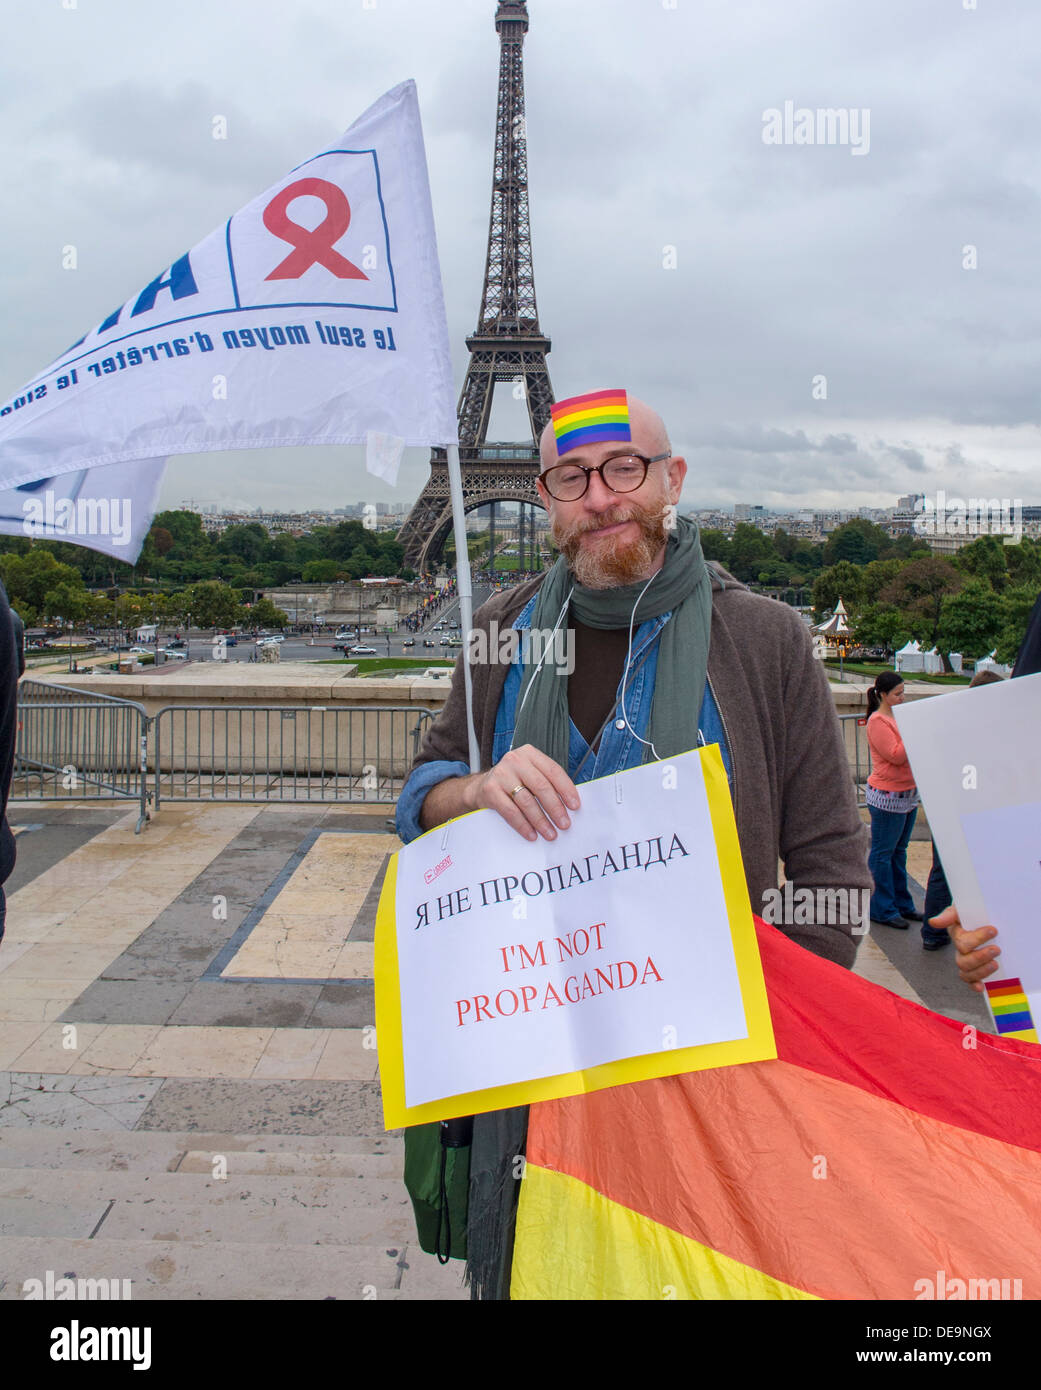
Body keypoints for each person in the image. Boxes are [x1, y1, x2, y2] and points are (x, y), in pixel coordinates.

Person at [394, 389, 871, 1297]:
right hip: (536, 1061)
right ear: (544, 497)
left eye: (624, 468)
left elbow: (830, 863)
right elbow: (420, 794)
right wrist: (472, 789)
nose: (601, 496)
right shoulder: (503, 630)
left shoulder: (766, 639)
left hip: (715, 1059)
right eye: (572, 477)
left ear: (671, 479)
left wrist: (773, 1027)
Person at [863, 671, 920, 928]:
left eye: (902, 692)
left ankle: (901, 904)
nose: (902, 698)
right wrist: (917, 731)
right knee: (883, 854)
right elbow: (896, 755)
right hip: (888, 796)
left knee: (898, 852)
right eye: (897, 694)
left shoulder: (897, 718)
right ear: (883, 695)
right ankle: (882, 908)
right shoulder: (878, 721)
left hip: (906, 793)